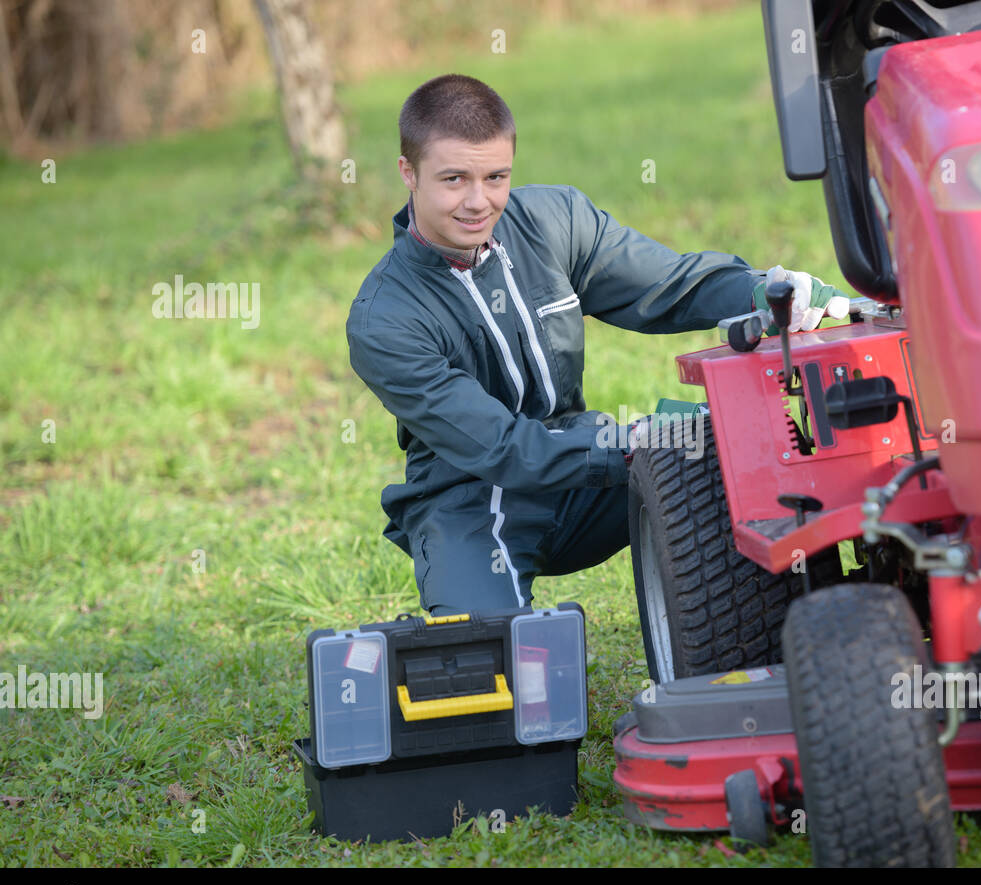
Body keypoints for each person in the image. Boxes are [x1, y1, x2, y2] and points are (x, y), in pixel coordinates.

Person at [347, 74, 849, 616]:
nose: (478, 202)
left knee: (737, 452)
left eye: (496, 177)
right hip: (465, 497)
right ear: (408, 173)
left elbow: (669, 285)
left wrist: (763, 292)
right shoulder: (384, 319)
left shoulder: (554, 220)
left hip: (582, 467)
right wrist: (635, 445)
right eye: (453, 179)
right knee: (487, 657)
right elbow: (500, 448)